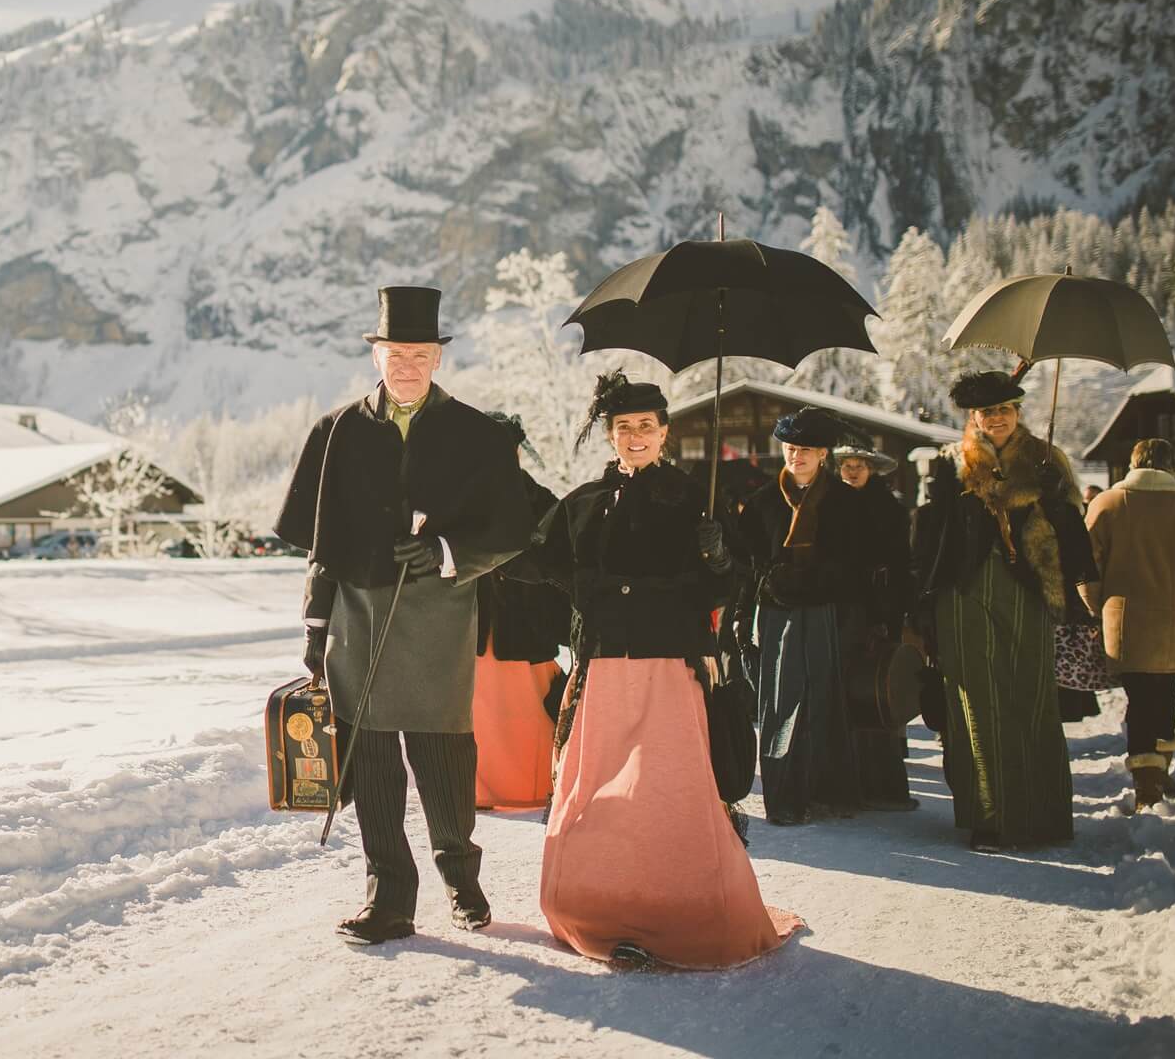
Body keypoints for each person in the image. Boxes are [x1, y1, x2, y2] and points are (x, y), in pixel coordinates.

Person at [511, 371, 800, 969]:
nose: (635, 436)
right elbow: (541, 564)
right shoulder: (585, 502)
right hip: (603, 666)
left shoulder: (700, 498)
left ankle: (684, 910)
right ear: (611, 437)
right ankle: (598, 905)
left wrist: (720, 554)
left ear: (664, 432)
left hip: (671, 664)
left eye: (646, 426)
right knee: (596, 792)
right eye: (624, 428)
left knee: (667, 793)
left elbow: (728, 582)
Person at [275, 286, 534, 945]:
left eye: (420, 354)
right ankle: (388, 896)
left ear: (438, 359)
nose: (408, 364)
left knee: (445, 759)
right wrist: (314, 628)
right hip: (355, 624)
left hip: (438, 623)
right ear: (377, 355)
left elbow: (512, 529)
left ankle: (460, 876)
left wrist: (447, 551)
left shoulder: (475, 434)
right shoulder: (337, 432)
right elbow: (320, 545)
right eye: (396, 352)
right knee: (375, 767)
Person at [911, 371, 1090, 851]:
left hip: (1028, 592)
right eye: (987, 413)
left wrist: (1054, 496)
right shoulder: (949, 464)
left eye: (1004, 411)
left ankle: (1042, 815)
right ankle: (990, 818)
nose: (996, 420)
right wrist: (919, 600)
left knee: (1030, 698)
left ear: (1018, 413)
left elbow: (1074, 536)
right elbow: (929, 534)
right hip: (963, 593)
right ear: (974, 417)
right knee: (976, 704)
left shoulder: (1046, 461)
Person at [733, 409, 872, 824]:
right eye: (791, 450)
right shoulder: (761, 503)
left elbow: (856, 561)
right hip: (779, 612)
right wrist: (749, 607)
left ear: (823, 454)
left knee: (826, 696)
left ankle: (829, 792)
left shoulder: (846, 503)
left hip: (829, 611)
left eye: (806, 451)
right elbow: (747, 562)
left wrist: (829, 584)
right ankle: (786, 796)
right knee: (781, 699)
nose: (797, 457)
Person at [472, 437, 570, 811]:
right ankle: (480, 790)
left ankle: (539, 784)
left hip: (529, 621)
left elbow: (557, 559)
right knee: (481, 710)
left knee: (531, 709)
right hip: (479, 624)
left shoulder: (541, 501)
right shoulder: (462, 502)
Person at [1083, 437, 1175, 811]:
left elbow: (1085, 566)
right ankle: (1161, 767)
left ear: (1132, 463)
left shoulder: (1106, 504)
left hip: (1125, 621)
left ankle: (1147, 784)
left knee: (1139, 699)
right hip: (1174, 622)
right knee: (1167, 695)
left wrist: (1096, 606)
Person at [833, 442, 919, 810]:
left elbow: (901, 565)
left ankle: (885, 784)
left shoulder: (889, 509)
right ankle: (850, 782)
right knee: (846, 696)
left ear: (872, 470)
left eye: (859, 466)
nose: (852, 471)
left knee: (883, 692)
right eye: (847, 465)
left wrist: (889, 614)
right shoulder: (829, 505)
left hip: (880, 609)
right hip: (841, 610)